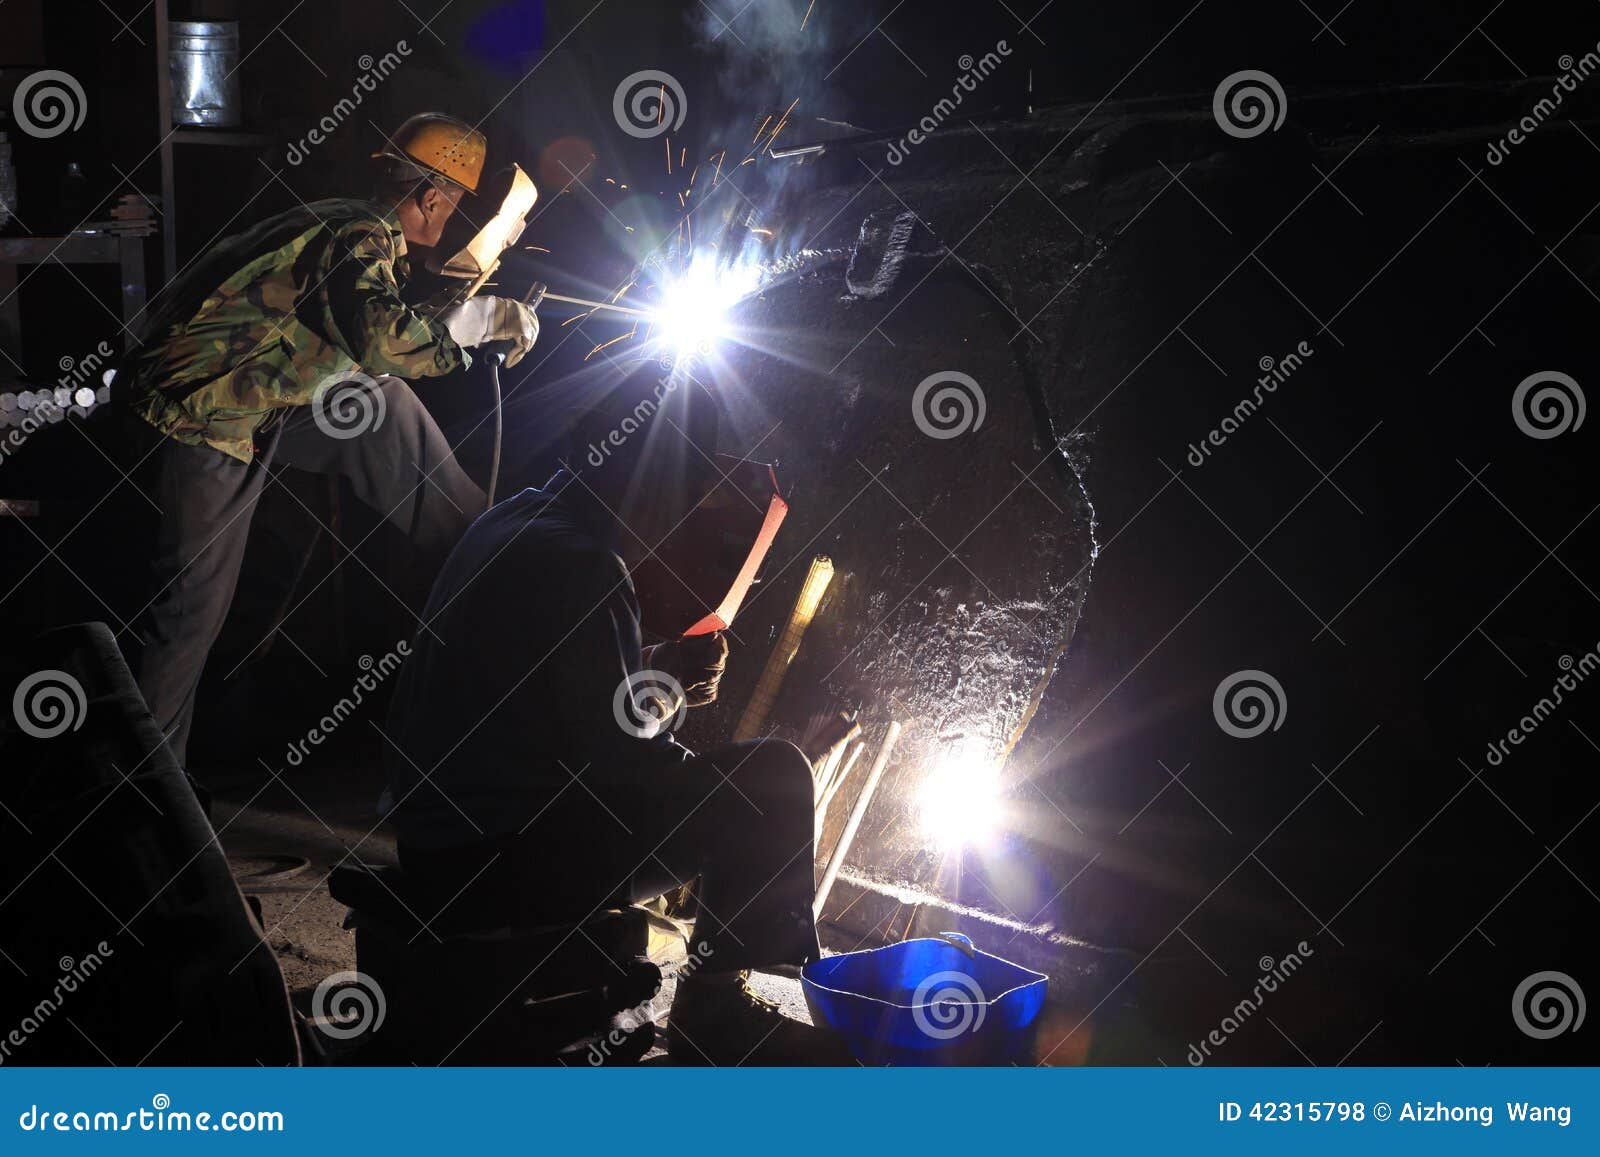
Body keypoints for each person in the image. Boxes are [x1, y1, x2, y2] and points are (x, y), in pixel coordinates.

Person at [380, 364, 848, 1065]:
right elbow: (620, 768)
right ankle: (713, 1008)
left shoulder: (514, 518)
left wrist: (661, 670)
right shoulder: (587, 565)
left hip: (433, 838)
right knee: (773, 778)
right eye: (687, 485)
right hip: (498, 860)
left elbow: (555, 698)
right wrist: (679, 709)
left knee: (731, 785)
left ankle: (712, 998)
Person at [110, 113, 540, 767]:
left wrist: (454, 321)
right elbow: (380, 337)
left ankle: (484, 546)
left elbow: (362, 337)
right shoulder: (358, 232)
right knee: (186, 615)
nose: (457, 222)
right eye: (456, 205)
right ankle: (138, 794)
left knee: (378, 401)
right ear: (431, 197)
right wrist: (476, 323)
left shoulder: (343, 224)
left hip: (252, 402)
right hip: (199, 414)